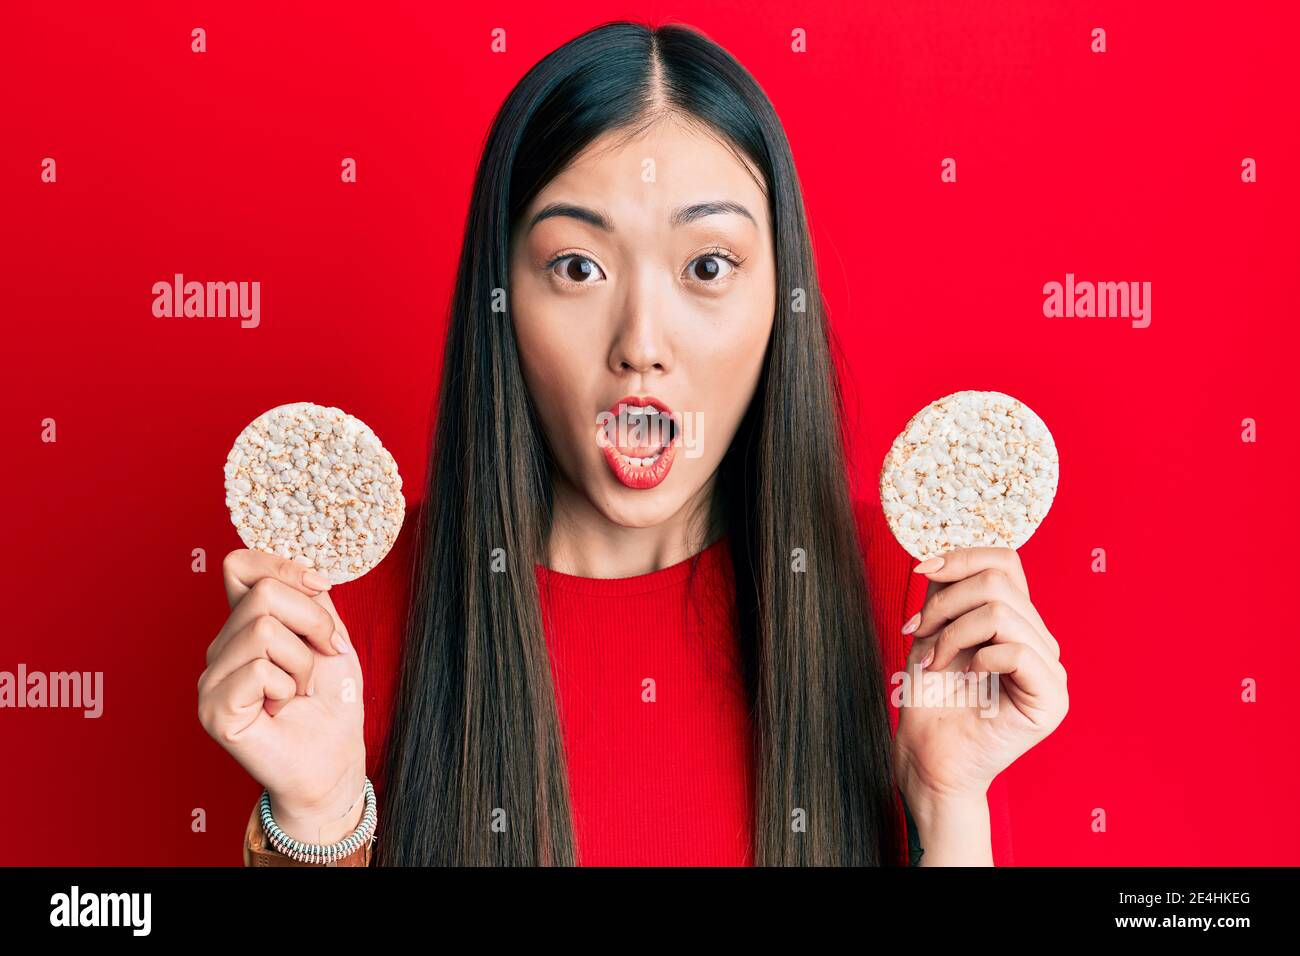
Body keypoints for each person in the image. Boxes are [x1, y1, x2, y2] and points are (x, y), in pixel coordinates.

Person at [198, 19, 1068, 867]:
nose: (641, 340)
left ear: (780, 295)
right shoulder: (338, 636)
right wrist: (314, 819)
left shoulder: (918, 617)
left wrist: (948, 810)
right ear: (499, 299)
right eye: (578, 267)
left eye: (707, 266)